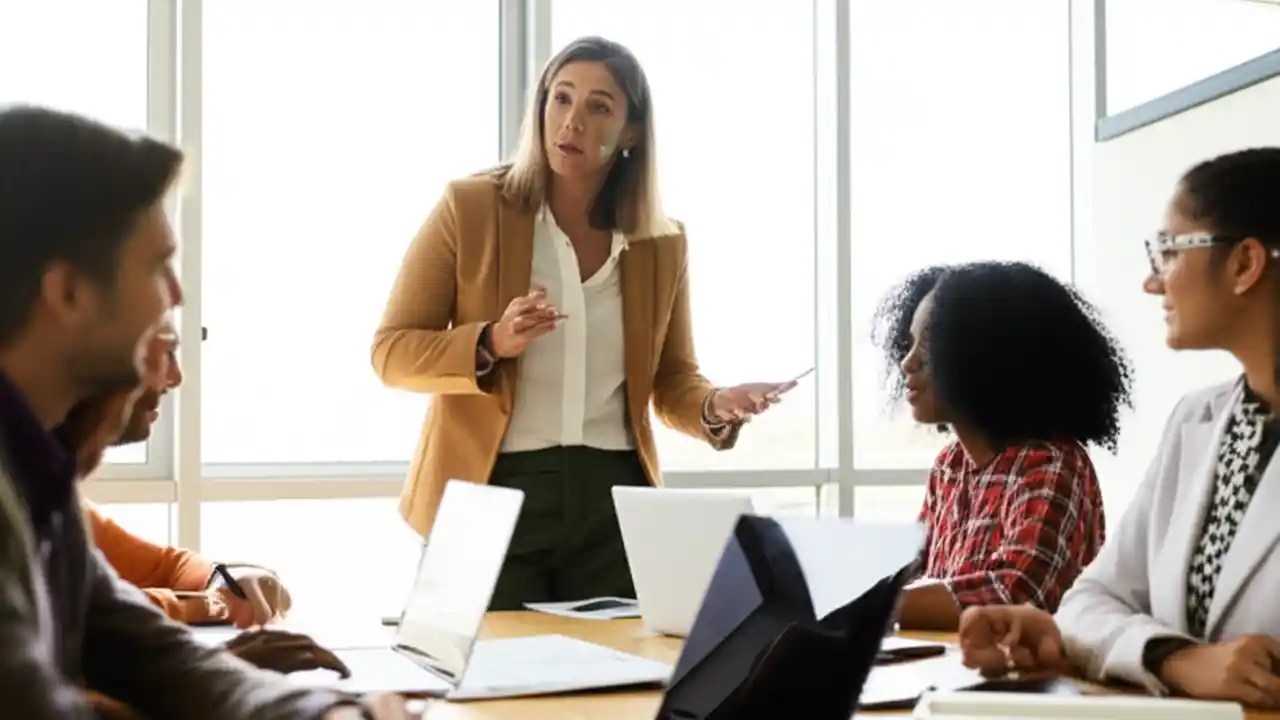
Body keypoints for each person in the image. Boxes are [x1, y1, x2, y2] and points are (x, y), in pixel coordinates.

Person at [0, 105, 409, 719]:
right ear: (69, 293)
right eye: (157, 266)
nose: (176, 294)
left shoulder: (39, 476)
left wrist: (330, 714)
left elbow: (156, 657)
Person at [372, 36, 796, 610]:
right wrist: (490, 341)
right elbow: (392, 352)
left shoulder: (662, 242)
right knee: (494, 665)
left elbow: (672, 378)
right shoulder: (469, 208)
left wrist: (715, 405)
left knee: (614, 665)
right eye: (561, 98)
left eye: (599, 107)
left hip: (613, 498)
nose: (572, 120)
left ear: (631, 133)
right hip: (489, 492)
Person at [957, 147, 1280, 709]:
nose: (1153, 282)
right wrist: (1175, 659)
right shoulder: (1196, 421)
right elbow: (1088, 602)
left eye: (1169, 252)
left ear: (1244, 264)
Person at [871, 261, 1132, 630]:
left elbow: (1018, 591)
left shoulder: (1052, 463)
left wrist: (873, 605)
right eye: (909, 343)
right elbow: (912, 574)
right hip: (954, 662)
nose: (906, 362)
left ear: (988, 354)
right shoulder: (950, 465)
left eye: (927, 346)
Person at [82, 317, 293, 629]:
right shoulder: (19, 493)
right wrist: (208, 604)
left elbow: (164, 567)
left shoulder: (58, 497)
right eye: (165, 350)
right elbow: (83, 611)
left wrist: (222, 579)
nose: (176, 377)